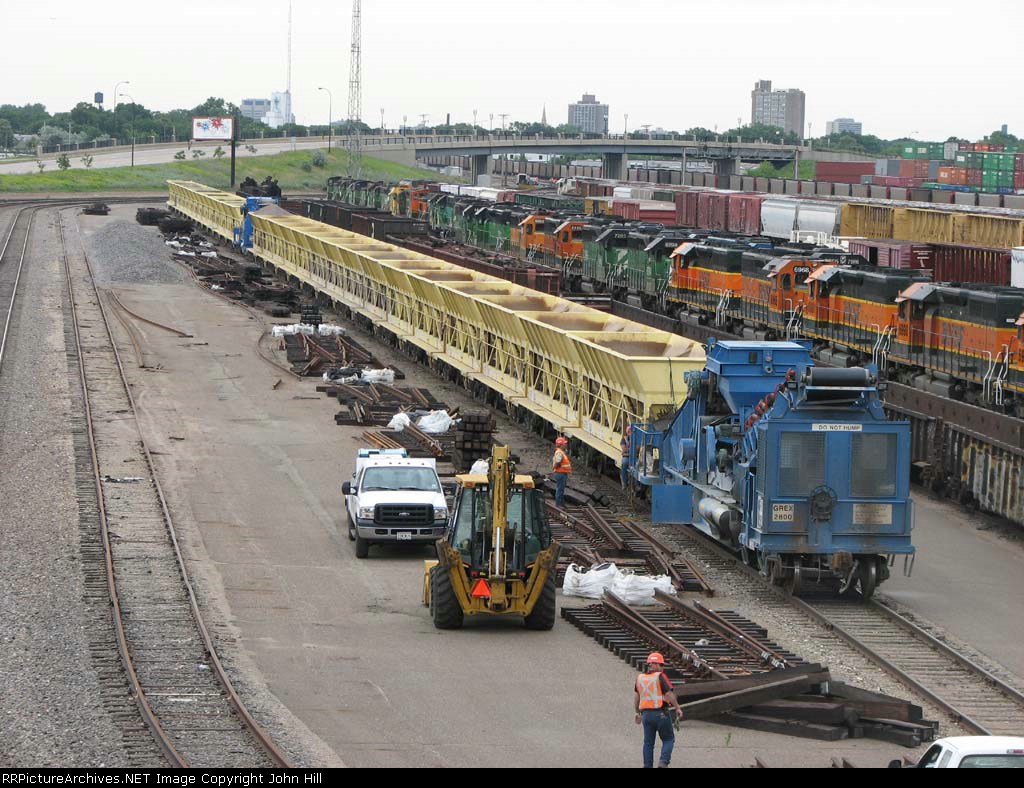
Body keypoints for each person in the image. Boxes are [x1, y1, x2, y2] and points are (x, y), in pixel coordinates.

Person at [634, 652, 684, 769]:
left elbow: (636, 697)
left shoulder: (640, 678)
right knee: (668, 739)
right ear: (659, 665)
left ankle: (647, 766)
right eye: (662, 665)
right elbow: (669, 694)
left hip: (646, 715)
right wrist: (677, 707)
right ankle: (663, 762)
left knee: (648, 743)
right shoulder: (660, 676)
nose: (662, 668)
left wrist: (637, 712)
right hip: (660, 713)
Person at [551, 437, 572, 507]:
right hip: (560, 473)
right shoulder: (559, 452)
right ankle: (558, 504)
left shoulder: (561, 452)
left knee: (561, 489)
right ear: (561, 445)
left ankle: (561, 503)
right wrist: (555, 468)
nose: (566, 445)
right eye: (564, 444)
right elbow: (558, 462)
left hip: (562, 473)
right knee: (560, 489)